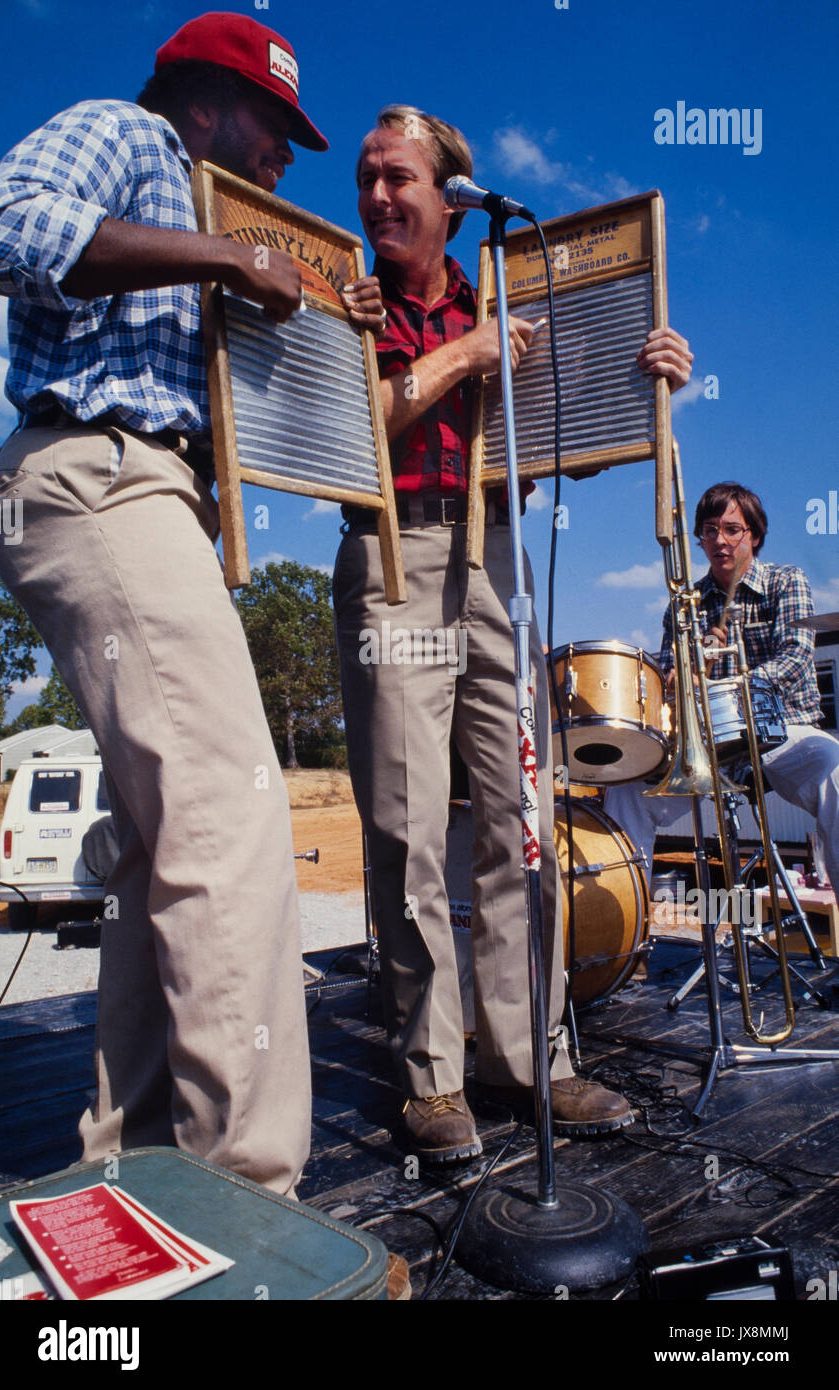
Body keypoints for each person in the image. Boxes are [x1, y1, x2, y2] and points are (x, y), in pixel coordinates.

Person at [0, 12, 330, 1196]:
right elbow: (12, 225)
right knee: (232, 823)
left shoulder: (206, 223)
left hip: (148, 491)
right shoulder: (125, 136)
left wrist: (331, 316)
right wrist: (229, 257)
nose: (284, 157)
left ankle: (131, 1164)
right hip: (97, 472)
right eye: (274, 127)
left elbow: (278, 397)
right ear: (202, 101)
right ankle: (251, 1196)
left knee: (158, 845)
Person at [337, 106, 694, 1163]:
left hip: (491, 557)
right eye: (365, 179)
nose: (375, 198)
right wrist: (462, 356)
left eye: (396, 178)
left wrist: (647, 372)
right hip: (391, 555)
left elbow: (561, 443)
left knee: (516, 816)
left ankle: (530, 1057)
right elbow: (357, 422)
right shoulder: (345, 300)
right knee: (407, 825)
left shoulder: (502, 297)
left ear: (453, 198)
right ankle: (430, 1080)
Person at [606, 482, 839, 900]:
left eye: (732, 529)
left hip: (785, 733)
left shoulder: (787, 581)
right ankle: (628, 937)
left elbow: (797, 656)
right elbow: (668, 683)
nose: (719, 540)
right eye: (709, 530)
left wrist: (728, 687)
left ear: (755, 535)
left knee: (836, 771)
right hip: (711, 744)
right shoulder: (684, 606)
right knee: (626, 792)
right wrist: (679, 679)